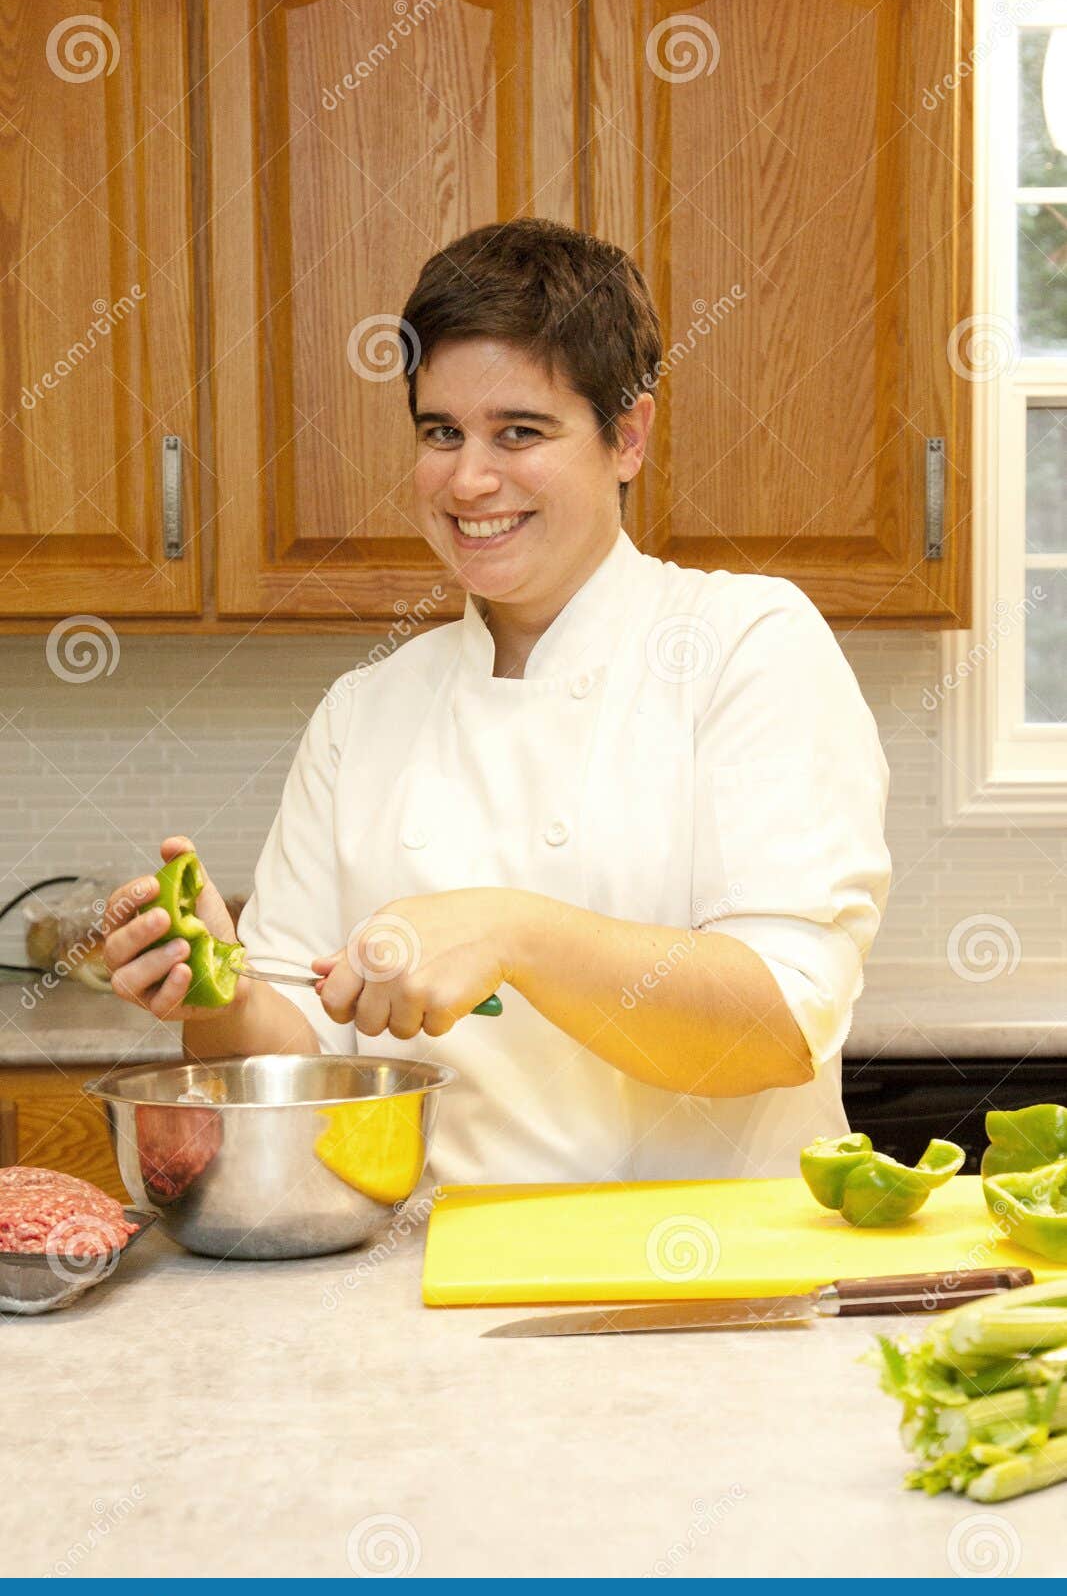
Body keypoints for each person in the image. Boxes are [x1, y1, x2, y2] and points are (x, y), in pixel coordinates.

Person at [103, 218, 891, 1183]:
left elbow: (778, 1026)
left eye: (520, 431)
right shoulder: (365, 709)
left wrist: (514, 932)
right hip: (430, 1254)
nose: (469, 479)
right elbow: (299, 1059)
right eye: (441, 432)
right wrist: (216, 992)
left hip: (701, 1262)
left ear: (627, 436)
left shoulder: (747, 644)